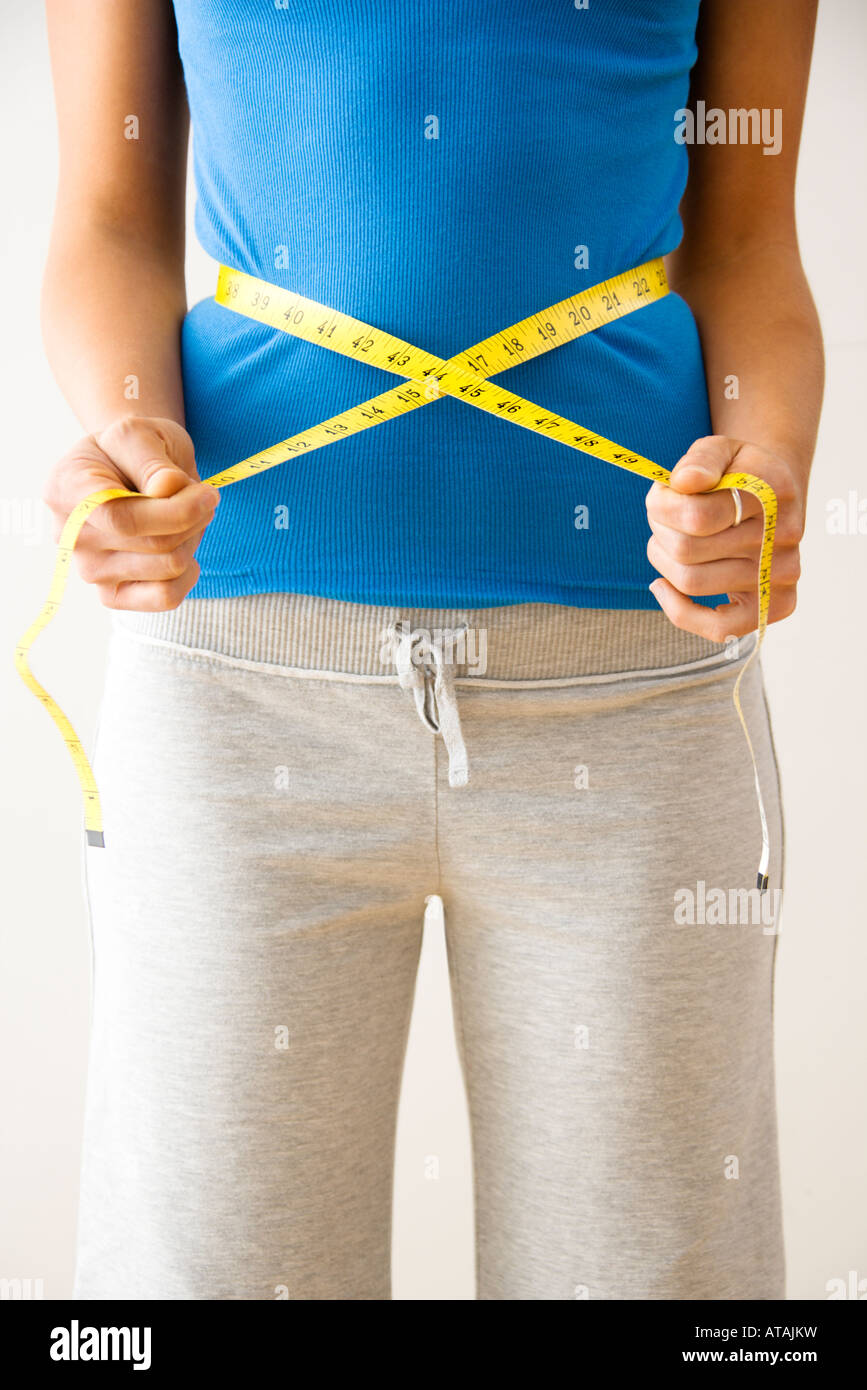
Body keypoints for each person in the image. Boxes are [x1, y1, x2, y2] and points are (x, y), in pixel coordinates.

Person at [41, 0, 822, 1300]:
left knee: (666, 1292)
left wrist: (773, 467)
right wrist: (127, 434)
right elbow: (108, 214)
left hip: (634, 683)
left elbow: (746, 240)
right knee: (197, 1291)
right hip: (233, 687)